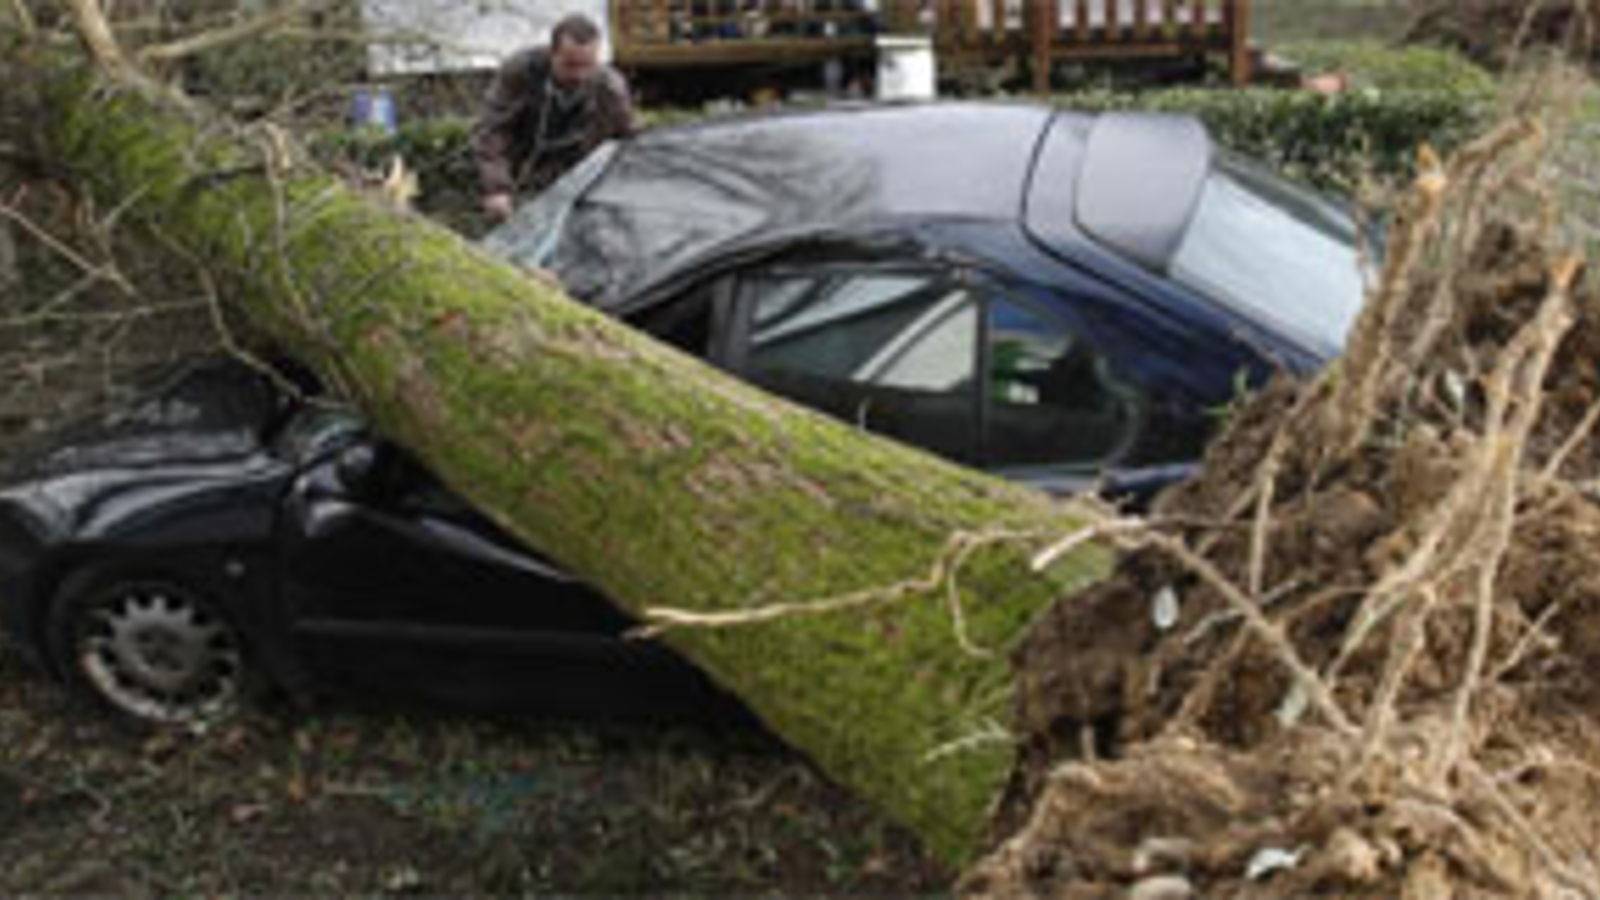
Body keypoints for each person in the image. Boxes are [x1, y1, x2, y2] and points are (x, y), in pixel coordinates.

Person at [473, 14, 638, 223]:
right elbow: (492, 129)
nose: (579, 75)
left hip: (578, 175)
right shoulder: (521, 70)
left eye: (588, 65)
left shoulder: (610, 88)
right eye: (570, 65)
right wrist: (497, 188)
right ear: (552, 53)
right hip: (523, 168)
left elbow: (628, 142)